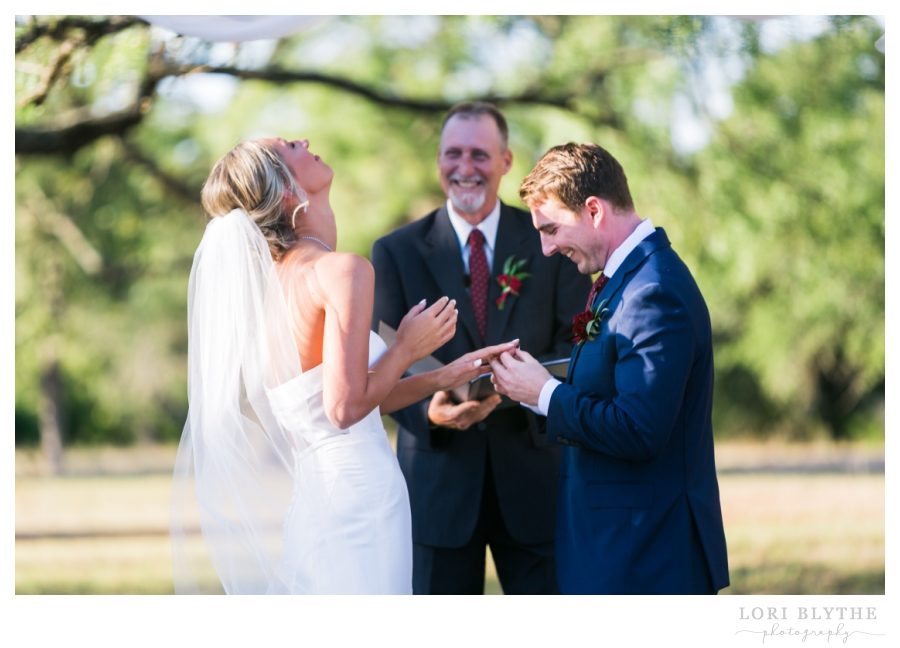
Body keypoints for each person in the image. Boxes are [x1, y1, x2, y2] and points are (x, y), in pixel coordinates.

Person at [171, 136, 517, 594]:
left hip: (322, 496)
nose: (305, 141)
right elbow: (344, 407)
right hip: (360, 497)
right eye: (290, 146)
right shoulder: (340, 271)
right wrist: (406, 349)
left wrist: (448, 375)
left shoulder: (274, 285)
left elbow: (349, 396)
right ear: (288, 186)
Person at [489, 142, 730, 594]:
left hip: (647, 555)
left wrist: (544, 395)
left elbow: (639, 428)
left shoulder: (652, 292)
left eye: (551, 228)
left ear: (594, 210)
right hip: (615, 548)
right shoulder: (621, 281)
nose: (545, 248)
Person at [371, 103, 591, 594]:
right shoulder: (397, 251)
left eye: (479, 154)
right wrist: (431, 408)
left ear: (506, 161)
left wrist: (529, 387)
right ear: (438, 160)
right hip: (438, 483)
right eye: (453, 153)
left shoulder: (547, 242)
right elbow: (385, 350)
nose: (464, 167)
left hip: (535, 476)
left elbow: (578, 340)